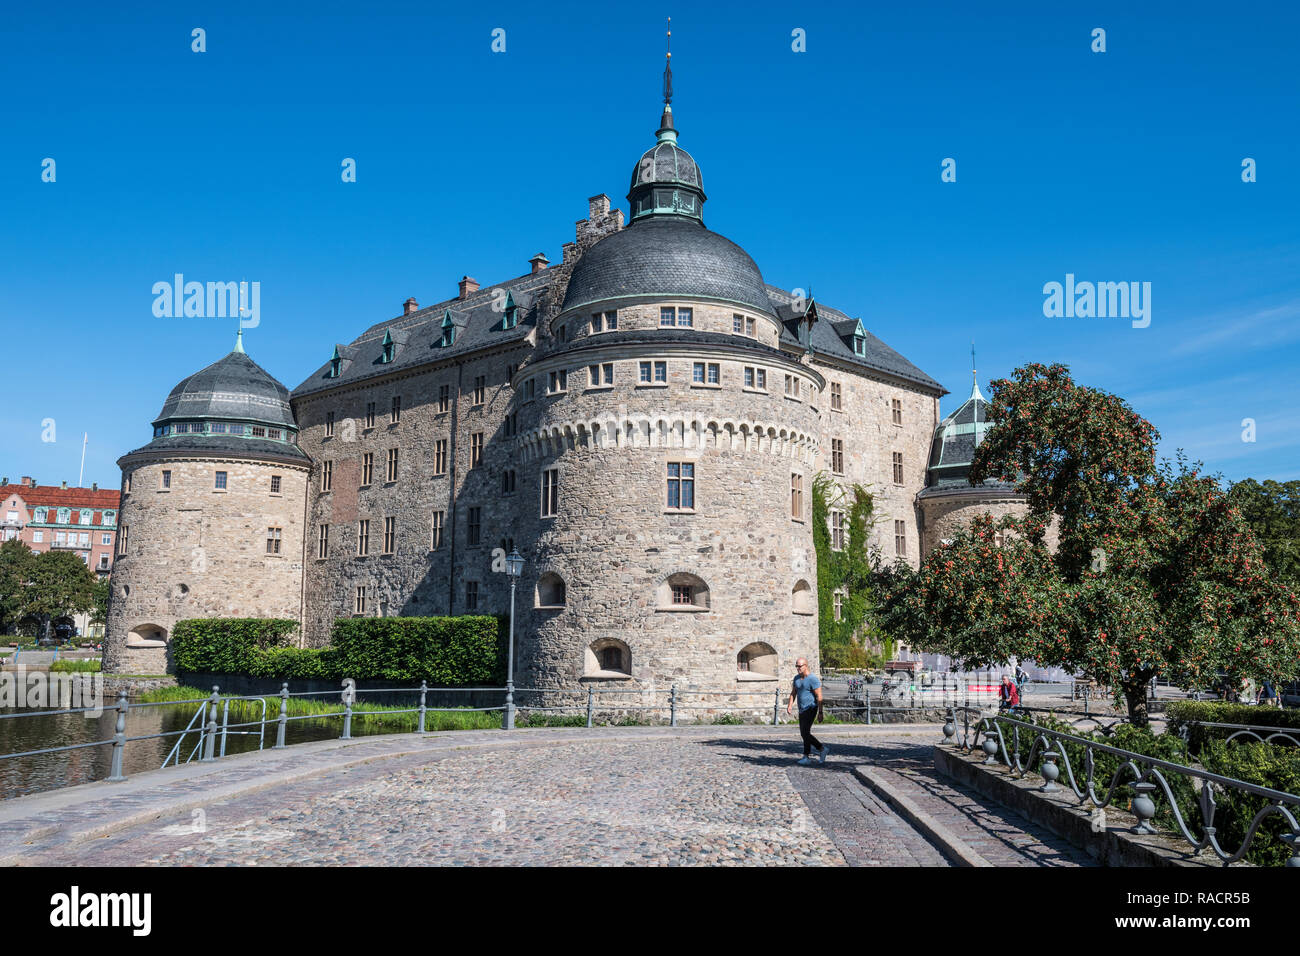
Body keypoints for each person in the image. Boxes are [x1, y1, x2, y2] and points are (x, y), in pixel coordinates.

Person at [787, 657, 828, 766]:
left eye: (799, 666)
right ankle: (810, 755)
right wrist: (790, 705)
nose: (797, 668)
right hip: (802, 709)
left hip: (811, 708)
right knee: (804, 733)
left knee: (805, 732)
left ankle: (819, 750)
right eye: (796, 666)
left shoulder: (813, 679)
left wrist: (820, 712)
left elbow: (819, 696)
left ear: (806, 666)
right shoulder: (796, 678)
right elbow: (793, 693)